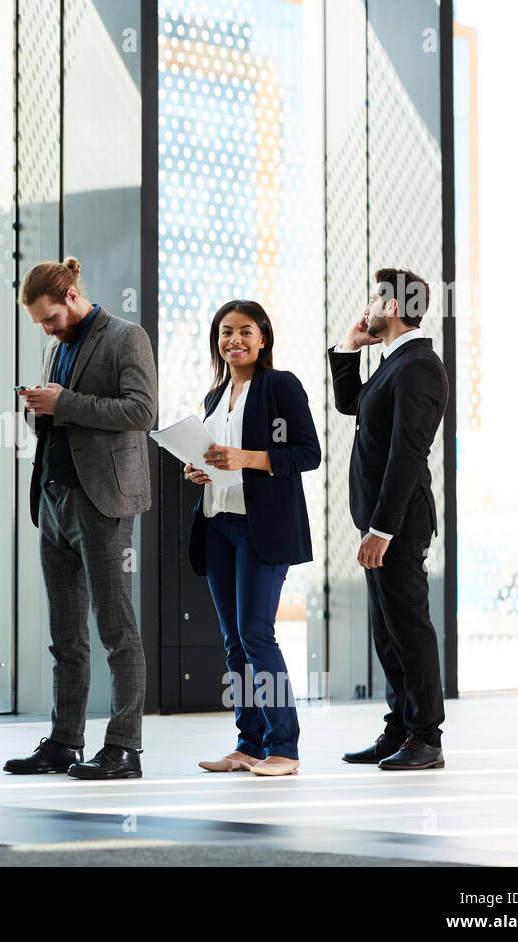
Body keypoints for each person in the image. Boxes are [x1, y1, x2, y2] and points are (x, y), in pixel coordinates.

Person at [4, 257, 158, 780]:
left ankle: (124, 748)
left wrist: (64, 402)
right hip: (53, 500)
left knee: (116, 628)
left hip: (103, 502)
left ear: (71, 296)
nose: (46, 330)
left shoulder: (125, 336)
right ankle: (65, 741)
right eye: (40, 324)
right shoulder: (55, 346)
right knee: (65, 635)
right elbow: (62, 415)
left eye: (49, 318)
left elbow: (142, 413)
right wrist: (39, 407)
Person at [183, 300, 320, 777]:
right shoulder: (215, 396)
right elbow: (218, 457)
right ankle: (249, 743)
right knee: (234, 642)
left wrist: (246, 458)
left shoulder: (280, 386)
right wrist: (200, 469)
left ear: (263, 337)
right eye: (225, 332)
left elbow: (307, 453)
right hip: (218, 523)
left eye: (245, 331)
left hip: (260, 528)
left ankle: (285, 748)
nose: (234, 340)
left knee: (257, 635)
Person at [329, 267, 449, 771]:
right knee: (387, 629)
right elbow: (350, 404)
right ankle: (399, 727)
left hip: (395, 524)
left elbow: (407, 455)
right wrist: (349, 348)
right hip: (380, 521)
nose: (369, 305)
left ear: (394, 307)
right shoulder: (394, 361)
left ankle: (426, 737)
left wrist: (382, 530)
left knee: (408, 627)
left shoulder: (419, 366)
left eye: (376, 297)